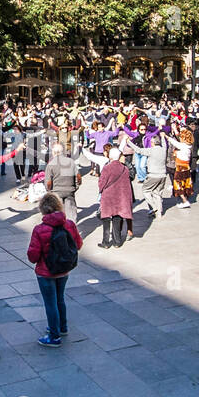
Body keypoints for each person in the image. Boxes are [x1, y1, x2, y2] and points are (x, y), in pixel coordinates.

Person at [26, 192, 83, 347]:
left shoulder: (39, 229)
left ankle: (54, 335)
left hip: (46, 272)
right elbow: (78, 244)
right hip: (64, 269)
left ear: (43, 209)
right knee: (60, 299)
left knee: (50, 302)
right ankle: (62, 326)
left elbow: (33, 255)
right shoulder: (69, 224)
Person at [95, 144, 134, 248]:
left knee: (106, 220)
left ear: (110, 156)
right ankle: (117, 242)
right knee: (117, 218)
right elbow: (127, 184)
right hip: (120, 196)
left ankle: (106, 242)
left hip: (108, 197)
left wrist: (101, 190)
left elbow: (101, 183)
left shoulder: (107, 168)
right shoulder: (124, 168)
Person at [43, 141, 82, 221]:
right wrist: (74, 188)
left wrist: (50, 191)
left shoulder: (51, 165)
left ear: (53, 152)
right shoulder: (71, 162)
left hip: (56, 193)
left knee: (57, 216)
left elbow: (48, 182)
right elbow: (78, 177)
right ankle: (72, 230)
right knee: (71, 216)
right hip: (69, 192)